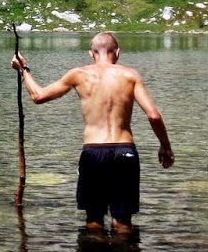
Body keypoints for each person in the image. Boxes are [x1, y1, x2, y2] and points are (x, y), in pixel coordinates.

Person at [11, 32, 173, 233]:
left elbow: (38, 95)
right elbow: (154, 116)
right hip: (125, 151)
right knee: (123, 222)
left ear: (91, 53)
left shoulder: (79, 74)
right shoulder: (130, 75)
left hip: (93, 152)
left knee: (94, 219)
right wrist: (165, 145)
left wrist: (23, 69)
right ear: (118, 52)